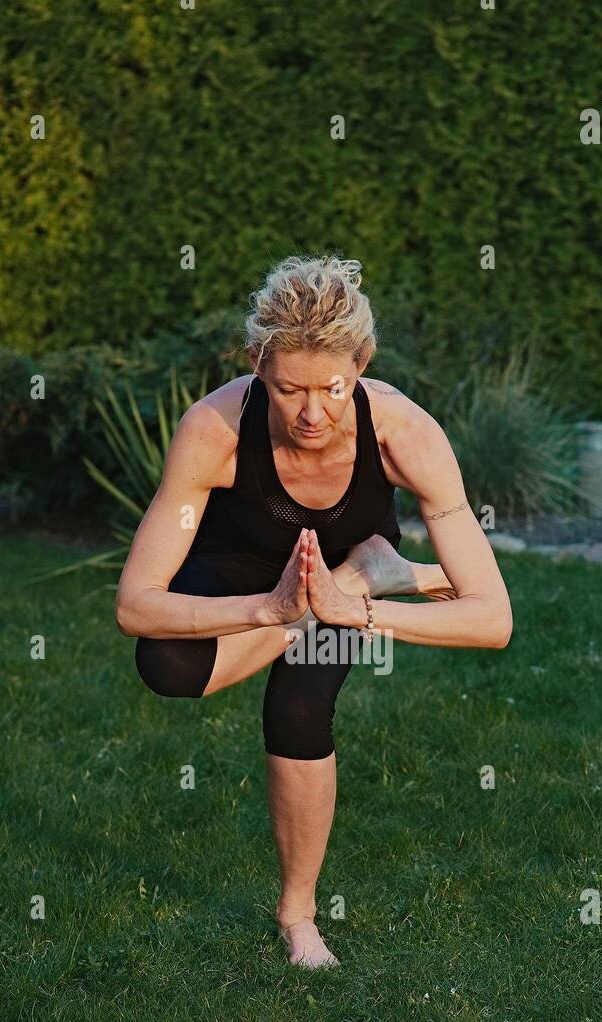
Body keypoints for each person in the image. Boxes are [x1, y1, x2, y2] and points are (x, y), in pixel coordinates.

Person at [115, 254, 512, 968]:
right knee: (166, 663)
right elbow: (136, 606)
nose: (311, 413)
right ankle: (366, 575)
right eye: (287, 389)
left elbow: (491, 620)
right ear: (256, 366)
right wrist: (272, 610)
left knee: (298, 708)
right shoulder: (215, 429)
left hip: (346, 555)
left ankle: (297, 915)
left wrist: (354, 611)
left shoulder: (405, 434)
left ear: (361, 363)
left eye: (332, 388)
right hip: (245, 558)